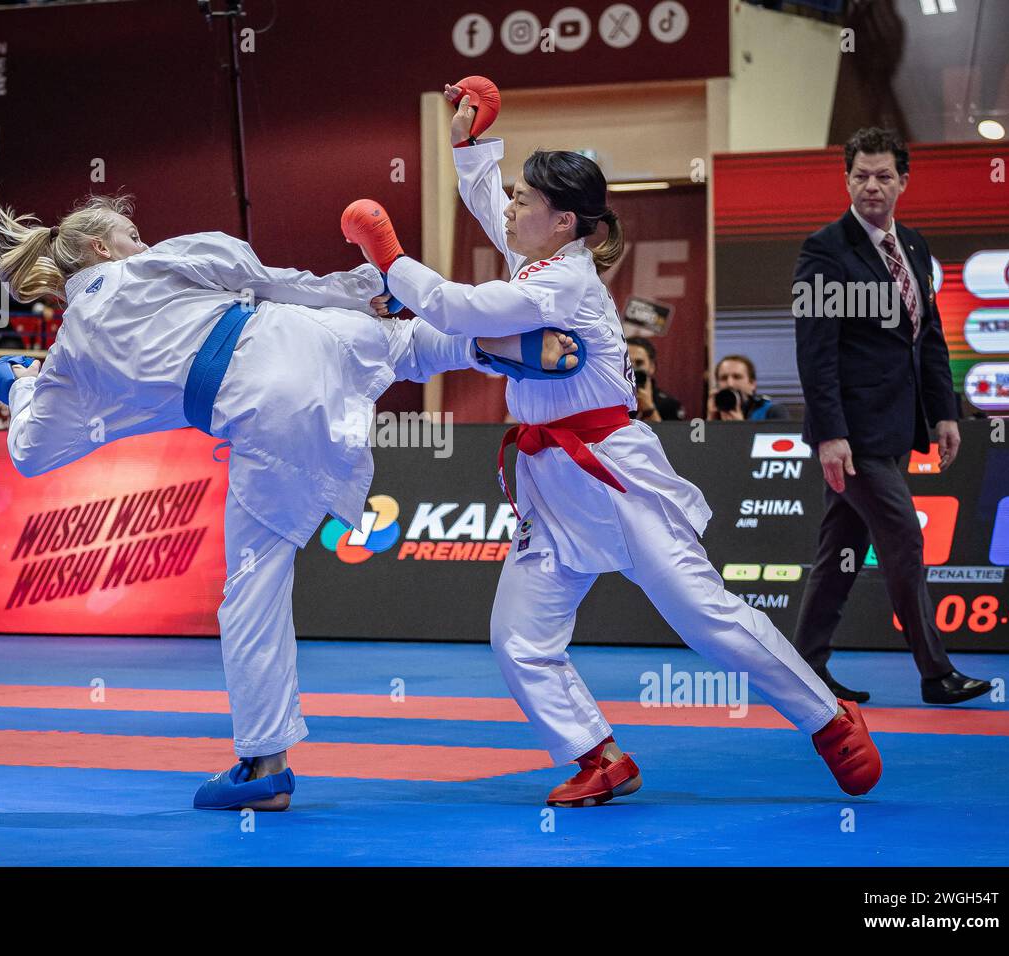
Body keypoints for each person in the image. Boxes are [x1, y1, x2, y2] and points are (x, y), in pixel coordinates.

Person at [334, 81, 883, 807]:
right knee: (519, 638)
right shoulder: (537, 258)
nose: (510, 209)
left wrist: (388, 253)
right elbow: (487, 207)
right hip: (549, 484)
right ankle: (599, 757)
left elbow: (457, 307)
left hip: (616, 478)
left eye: (524, 200)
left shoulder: (560, 284)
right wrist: (469, 144)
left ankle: (828, 718)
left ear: (563, 221)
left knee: (707, 619)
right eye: (515, 197)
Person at [0, 193, 578, 811]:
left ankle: (264, 765)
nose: (143, 241)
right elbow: (270, 280)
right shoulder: (158, 262)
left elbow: (30, 452)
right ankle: (487, 347)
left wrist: (21, 387)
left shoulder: (70, 358)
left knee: (253, 589)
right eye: (130, 234)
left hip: (262, 410)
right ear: (101, 249)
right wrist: (360, 290)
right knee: (400, 343)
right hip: (298, 335)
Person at [791, 127, 990, 706]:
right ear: (846, 180)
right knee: (903, 536)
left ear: (903, 180)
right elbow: (815, 350)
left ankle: (805, 667)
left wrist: (945, 413)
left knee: (841, 549)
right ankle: (936, 673)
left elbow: (927, 338)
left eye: (883, 176)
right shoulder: (824, 248)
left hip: (896, 427)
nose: (871, 186)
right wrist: (830, 434)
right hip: (851, 437)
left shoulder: (916, 247)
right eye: (860, 176)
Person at [710, 354, 789, 420]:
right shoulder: (712, 411)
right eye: (723, 378)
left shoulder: (772, 412)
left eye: (737, 377)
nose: (730, 384)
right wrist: (710, 421)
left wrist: (740, 427)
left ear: (752, 384)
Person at [625, 336, 684, 422]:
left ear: (652, 367)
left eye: (639, 363)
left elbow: (672, 431)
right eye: (627, 362)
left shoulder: (669, 405)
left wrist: (649, 409)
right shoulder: (609, 401)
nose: (632, 368)